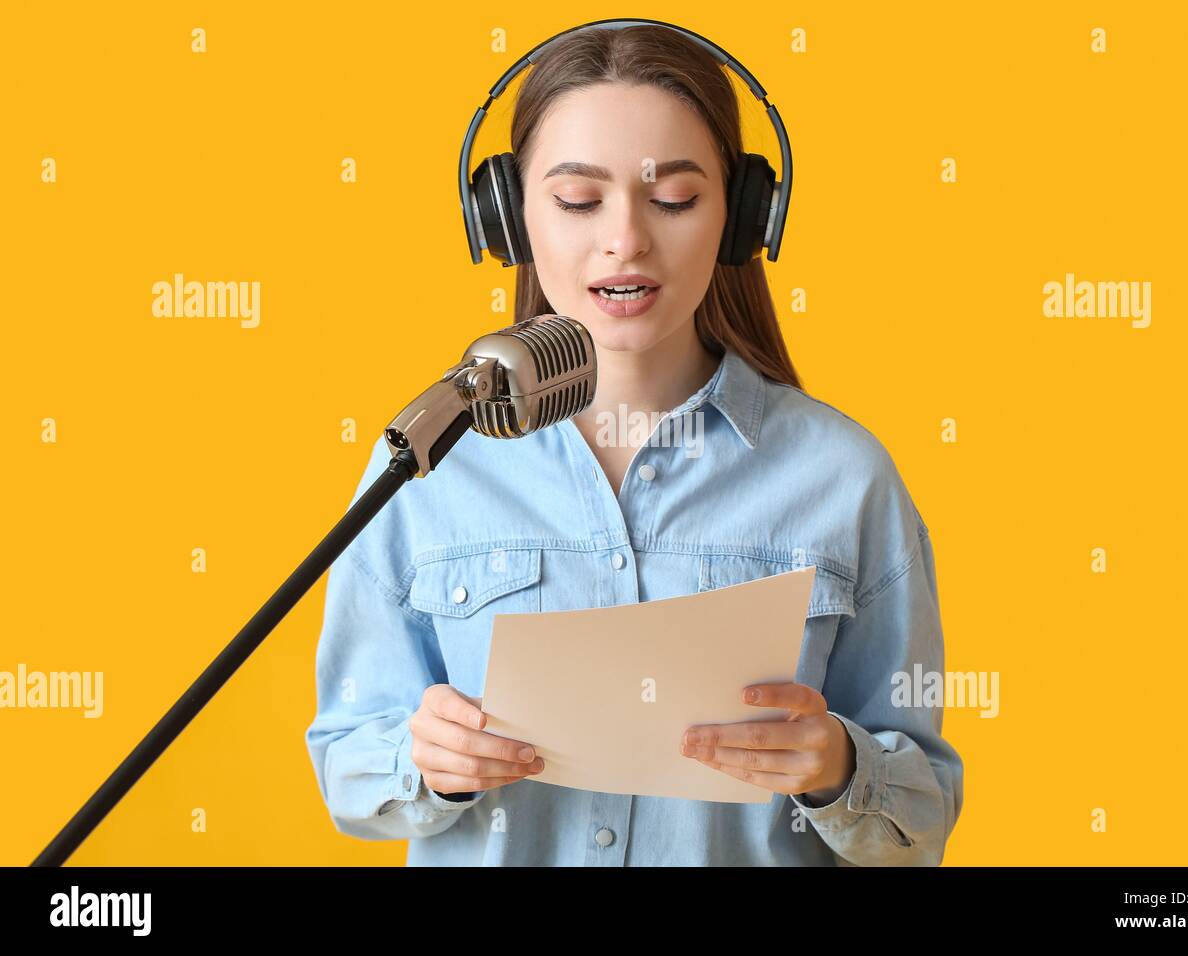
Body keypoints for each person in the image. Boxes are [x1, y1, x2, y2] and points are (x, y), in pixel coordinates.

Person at [305, 23, 963, 866]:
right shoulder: (433, 459)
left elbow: (924, 816)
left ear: (741, 217)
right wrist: (426, 764)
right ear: (505, 218)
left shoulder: (845, 478)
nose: (626, 240)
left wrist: (840, 767)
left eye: (675, 200)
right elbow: (347, 765)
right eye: (579, 201)